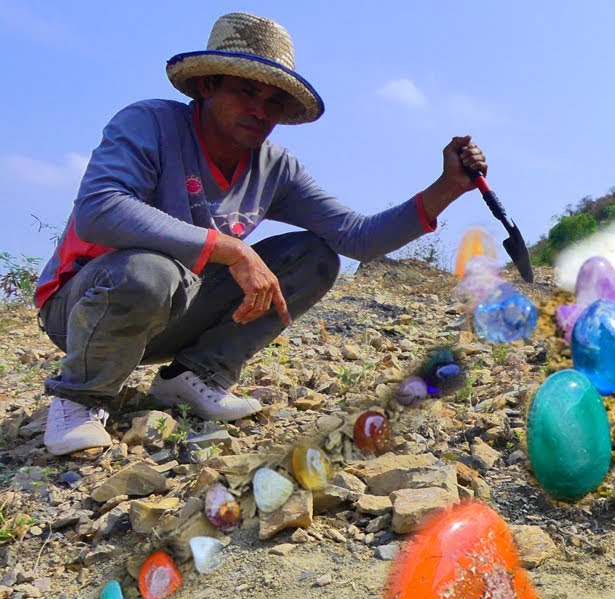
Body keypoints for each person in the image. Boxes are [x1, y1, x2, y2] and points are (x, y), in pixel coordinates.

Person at [33, 12, 487, 455]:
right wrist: (232, 250)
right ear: (207, 85)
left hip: (177, 309)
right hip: (86, 309)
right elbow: (99, 209)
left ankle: (196, 376)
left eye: (274, 101)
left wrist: (446, 188)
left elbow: (357, 237)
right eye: (246, 91)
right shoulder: (150, 124)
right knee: (149, 271)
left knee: (314, 256)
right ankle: (80, 398)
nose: (260, 110)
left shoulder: (274, 167)